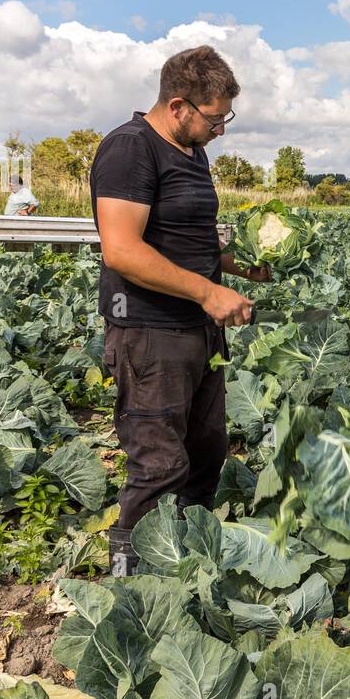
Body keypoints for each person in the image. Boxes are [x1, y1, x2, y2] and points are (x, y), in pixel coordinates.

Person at [91, 45, 271, 575]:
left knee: (205, 452)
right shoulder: (129, 150)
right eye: (215, 118)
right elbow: (122, 249)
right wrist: (207, 293)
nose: (222, 130)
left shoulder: (194, 153)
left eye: (225, 117)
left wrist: (241, 268)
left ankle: (184, 567)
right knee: (158, 466)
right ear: (177, 106)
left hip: (198, 332)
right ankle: (130, 588)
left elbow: (190, 240)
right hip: (150, 332)